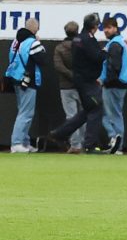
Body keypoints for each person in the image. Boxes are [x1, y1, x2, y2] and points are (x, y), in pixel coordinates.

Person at [45, 19, 102, 153]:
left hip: (67, 85)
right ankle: (86, 143)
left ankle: (68, 140)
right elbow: (93, 58)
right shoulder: (83, 42)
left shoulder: (60, 48)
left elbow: (59, 66)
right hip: (84, 83)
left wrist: (72, 76)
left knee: (77, 113)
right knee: (93, 109)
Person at [96, 17, 127, 153]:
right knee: (113, 115)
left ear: (115, 28)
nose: (106, 30)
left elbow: (114, 66)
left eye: (109, 27)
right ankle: (115, 143)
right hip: (121, 83)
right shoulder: (120, 42)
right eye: (104, 28)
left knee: (112, 116)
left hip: (113, 84)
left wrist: (106, 81)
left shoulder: (115, 44)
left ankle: (117, 143)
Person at [5, 24, 41, 152]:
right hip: (27, 79)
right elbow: (41, 58)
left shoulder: (16, 41)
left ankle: (24, 142)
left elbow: (11, 57)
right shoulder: (32, 42)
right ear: (36, 29)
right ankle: (16, 143)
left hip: (15, 77)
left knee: (23, 111)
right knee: (26, 113)